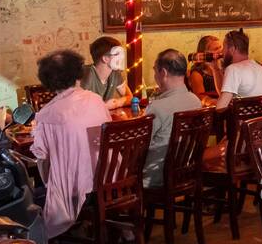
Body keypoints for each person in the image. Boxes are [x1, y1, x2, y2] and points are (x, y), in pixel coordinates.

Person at [29, 49, 111, 241]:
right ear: (78, 73)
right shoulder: (96, 100)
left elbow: (43, 161)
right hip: (109, 180)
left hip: (77, 190)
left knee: (32, 193)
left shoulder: (47, 114)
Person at [143, 49, 203, 187]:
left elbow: (141, 146)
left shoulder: (157, 107)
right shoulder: (195, 101)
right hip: (186, 172)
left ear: (163, 73)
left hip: (155, 177)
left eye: (155, 70)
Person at [216, 29, 262, 111]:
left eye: (224, 48)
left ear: (232, 49)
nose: (222, 52)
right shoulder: (258, 66)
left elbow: (220, 108)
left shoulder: (233, 69)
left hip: (246, 122)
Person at [83, 36, 131, 109]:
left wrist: (116, 103)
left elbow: (130, 98)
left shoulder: (115, 73)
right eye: (117, 54)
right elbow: (78, 107)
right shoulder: (86, 74)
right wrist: (104, 106)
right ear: (105, 59)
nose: (121, 57)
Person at [188, 34, 224, 99]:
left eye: (221, 47)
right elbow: (201, 97)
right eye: (216, 49)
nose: (220, 51)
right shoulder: (197, 73)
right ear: (205, 53)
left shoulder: (224, 66)